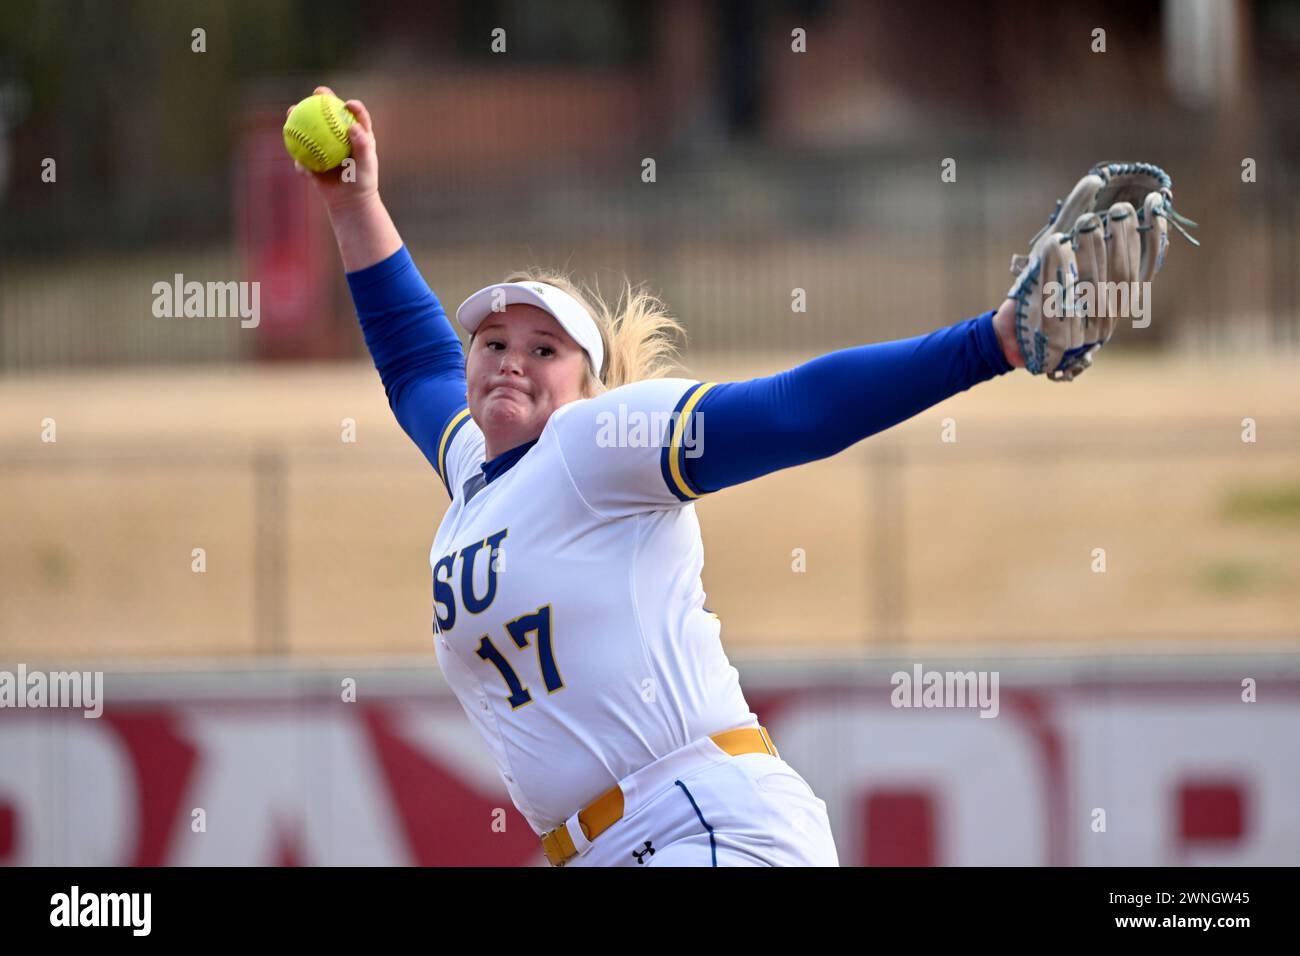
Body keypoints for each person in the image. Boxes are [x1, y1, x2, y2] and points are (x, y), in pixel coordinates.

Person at [293, 87, 1025, 867]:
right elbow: (411, 358)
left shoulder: (595, 445)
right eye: (493, 341)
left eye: (545, 349)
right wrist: (352, 203)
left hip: (707, 825)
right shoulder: (476, 468)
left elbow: (795, 411)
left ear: (586, 386)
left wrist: (989, 345)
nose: (510, 359)